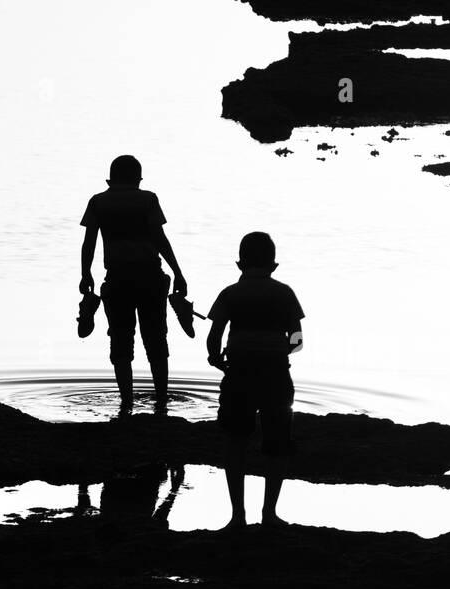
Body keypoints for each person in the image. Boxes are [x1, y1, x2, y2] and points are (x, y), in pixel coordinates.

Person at [205, 231, 304, 529]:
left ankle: (238, 515)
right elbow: (298, 338)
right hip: (275, 371)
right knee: (277, 442)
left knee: (235, 440)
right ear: (273, 265)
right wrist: (284, 349)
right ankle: (269, 514)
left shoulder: (229, 294)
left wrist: (216, 359)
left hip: (238, 372)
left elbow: (213, 338)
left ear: (239, 264)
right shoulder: (284, 293)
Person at [79, 155, 188, 410]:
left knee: (120, 339)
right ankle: (161, 399)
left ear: (110, 178)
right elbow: (160, 239)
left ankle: (126, 401)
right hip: (150, 277)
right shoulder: (148, 199)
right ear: (138, 179)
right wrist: (178, 272)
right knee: (156, 339)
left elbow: (89, 243)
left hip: (117, 279)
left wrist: (86, 273)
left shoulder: (98, 202)